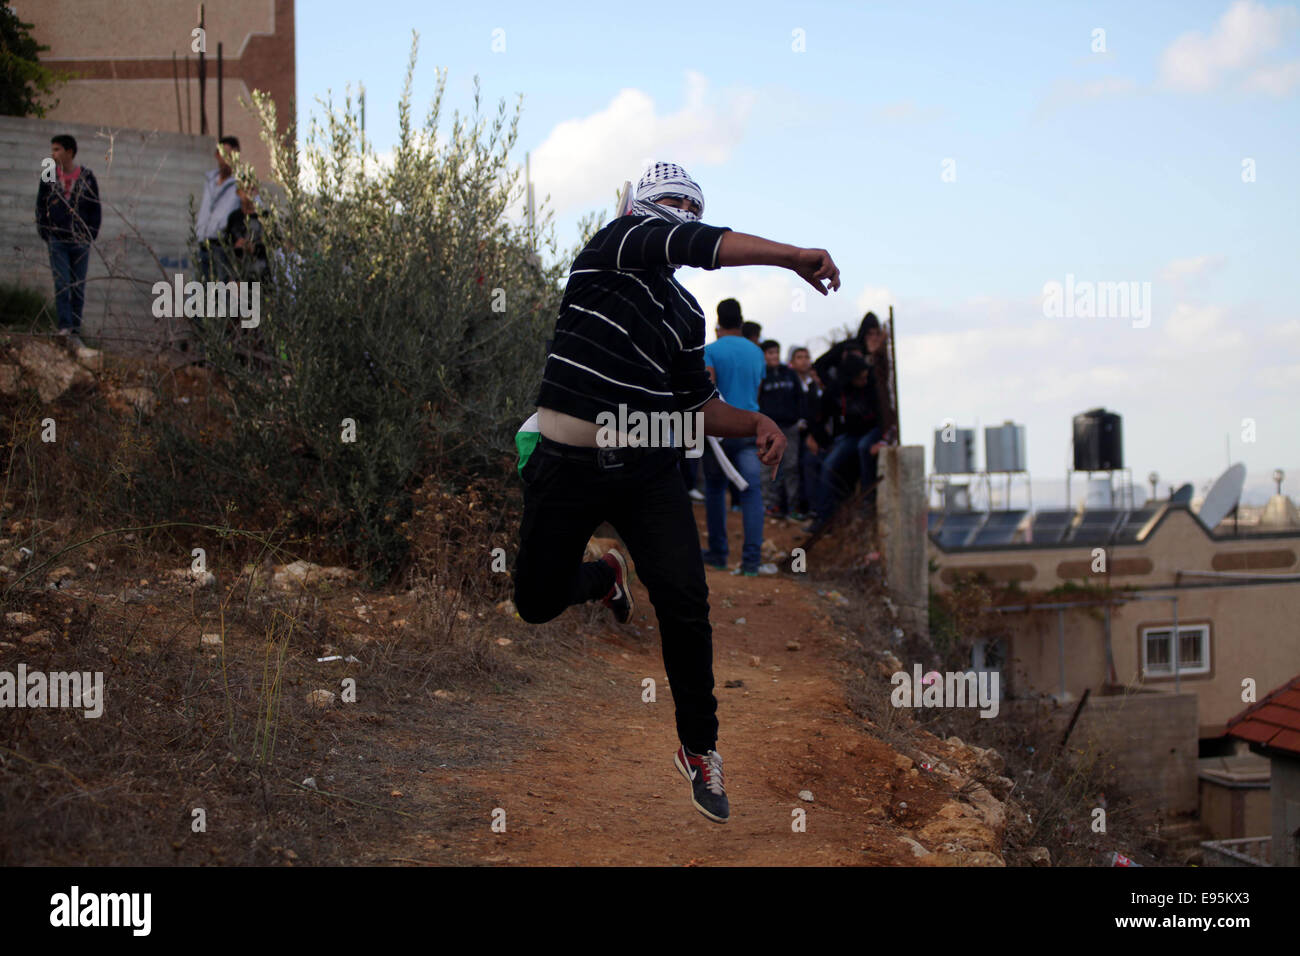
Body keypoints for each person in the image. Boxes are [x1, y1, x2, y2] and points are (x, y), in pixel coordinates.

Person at [511, 161, 839, 824]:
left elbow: (696, 406)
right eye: (670, 201)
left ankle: (699, 748)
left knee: (687, 600)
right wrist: (792, 257)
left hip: (646, 468)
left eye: (692, 204)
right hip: (565, 460)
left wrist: (755, 420)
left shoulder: (686, 314)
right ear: (639, 206)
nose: (681, 213)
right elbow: (696, 245)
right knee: (536, 602)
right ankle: (604, 576)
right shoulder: (612, 249)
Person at [702, 302, 770, 576]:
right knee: (752, 492)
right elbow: (757, 390)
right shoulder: (757, 352)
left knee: (716, 490)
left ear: (719, 323)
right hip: (748, 429)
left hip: (719, 433)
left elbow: (707, 388)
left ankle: (719, 554)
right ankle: (752, 561)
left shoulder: (711, 350)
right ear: (741, 323)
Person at [805, 349, 894, 535]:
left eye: (865, 377)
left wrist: (884, 440)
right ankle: (824, 517)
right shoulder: (836, 391)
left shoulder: (874, 387)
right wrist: (822, 440)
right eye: (859, 378)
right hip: (850, 435)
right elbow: (818, 417)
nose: (864, 380)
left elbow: (887, 417)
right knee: (829, 464)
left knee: (864, 449)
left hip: (873, 431)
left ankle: (868, 502)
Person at [35, 134, 101, 346]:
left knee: (78, 286)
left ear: (69, 152)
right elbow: (40, 204)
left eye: (57, 150)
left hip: (80, 241)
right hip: (57, 240)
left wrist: (89, 234)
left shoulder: (87, 177)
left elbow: (94, 208)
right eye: (52, 150)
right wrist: (46, 232)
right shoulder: (49, 175)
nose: (53, 154)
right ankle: (64, 328)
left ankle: (75, 331)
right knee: (62, 283)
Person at [757, 339, 802, 519]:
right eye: (770, 353)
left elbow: (799, 397)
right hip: (769, 429)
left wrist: (800, 418)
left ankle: (793, 508)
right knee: (768, 467)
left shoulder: (789, 374)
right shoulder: (761, 376)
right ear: (764, 356)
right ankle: (770, 506)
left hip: (790, 428)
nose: (774, 356)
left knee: (791, 467)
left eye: (776, 352)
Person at [194, 136, 243, 284]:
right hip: (203, 247)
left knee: (221, 299)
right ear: (217, 154)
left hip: (222, 250)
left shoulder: (240, 183)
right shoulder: (209, 180)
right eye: (225, 154)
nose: (228, 159)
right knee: (197, 299)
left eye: (233, 155)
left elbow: (255, 209)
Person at [788, 345, 823, 518]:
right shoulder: (789, 383)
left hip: (813, 434)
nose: (804, 360)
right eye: (799, 357)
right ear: (792, 362)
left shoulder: (815, 384)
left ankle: (813, 507)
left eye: (806, 357)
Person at [813, 310, 879, 386]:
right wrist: (832, 386)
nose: (874, 338)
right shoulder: (848, 346)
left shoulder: (880, 354)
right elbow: (820, 364)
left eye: (876, 334)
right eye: (870, 334)